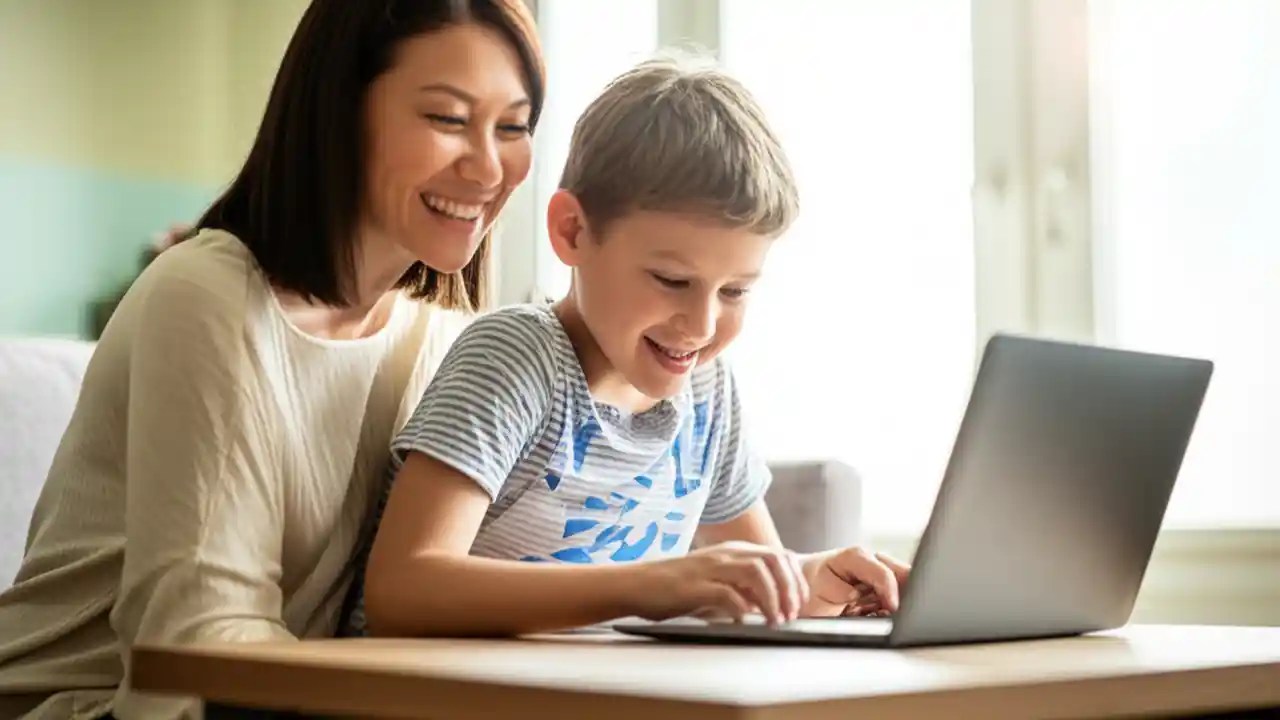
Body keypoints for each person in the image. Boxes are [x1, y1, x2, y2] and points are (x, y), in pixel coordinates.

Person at [0, 1, 544, 718]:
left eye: (512, 126)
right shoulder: (208, 296)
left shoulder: (444, 339)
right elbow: (201, 648)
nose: (487, 165)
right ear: (339, 113)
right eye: (447, 118)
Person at [342, 55, 910, 640]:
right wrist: (650, 585)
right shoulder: (516, 359)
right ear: (573, 232)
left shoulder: (709, 392)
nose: (702, 323)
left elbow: (754, 586)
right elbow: (401, 591)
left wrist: (811, 578)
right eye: (671, 280)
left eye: (736, 290)